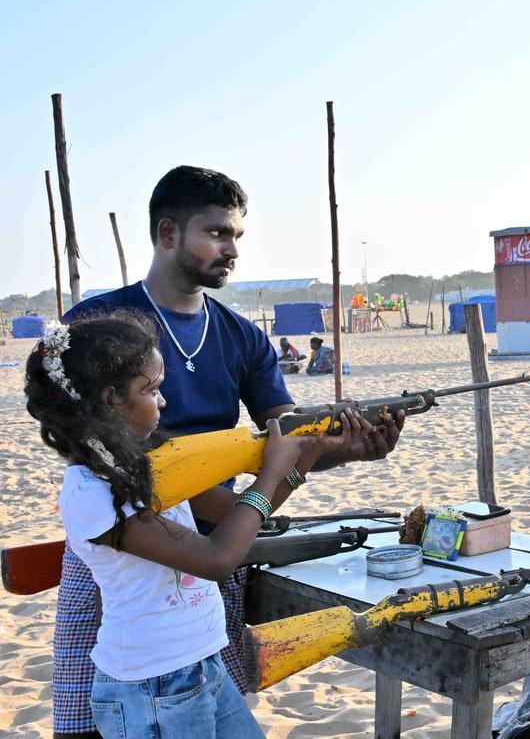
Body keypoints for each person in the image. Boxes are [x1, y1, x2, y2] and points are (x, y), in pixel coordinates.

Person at [55, 165, 402, 739]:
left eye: (237, 235)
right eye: (217, 233)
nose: (232, 248)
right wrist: (250, 500)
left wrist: (353, 448)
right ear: (168, 234)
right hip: (121, 551)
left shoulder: (243, 335)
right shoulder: (97, 327)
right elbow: (90, 456)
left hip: (215, 552)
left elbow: (281, 444)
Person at [27, 313, 371, 738]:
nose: (164, 401)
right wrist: (269, 474)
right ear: (110, 399)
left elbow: (237, 514)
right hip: (152, 687)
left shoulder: (151, 464)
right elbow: (216, 559)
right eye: (151, 390)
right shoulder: (90, 492)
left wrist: (303, 462)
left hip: (202, 667)